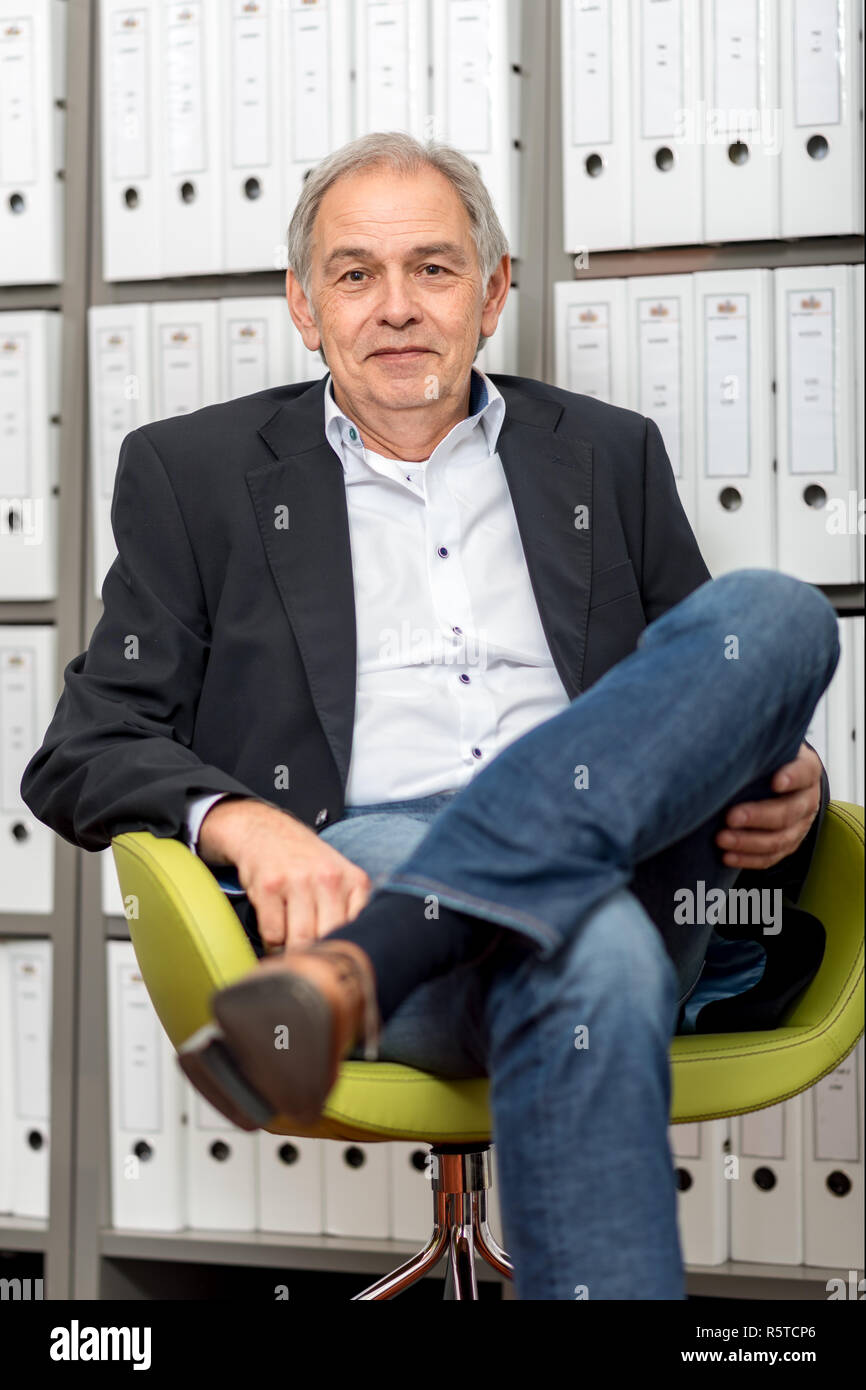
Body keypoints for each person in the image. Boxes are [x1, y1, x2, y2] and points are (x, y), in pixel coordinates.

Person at [21, 133, 837, 1300]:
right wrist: (244, 823)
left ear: (495, 291)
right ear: (303, 306)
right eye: (355, 274)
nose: (395, 308)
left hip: (629, 846)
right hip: (376, 850)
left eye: (435, 269)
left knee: (779, 612)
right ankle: (393, 936)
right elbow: (83, 746)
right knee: (591, 952)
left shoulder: (608, 455)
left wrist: (776, 760)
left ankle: (362, 967)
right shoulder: (193, 477)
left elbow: (692, 678)